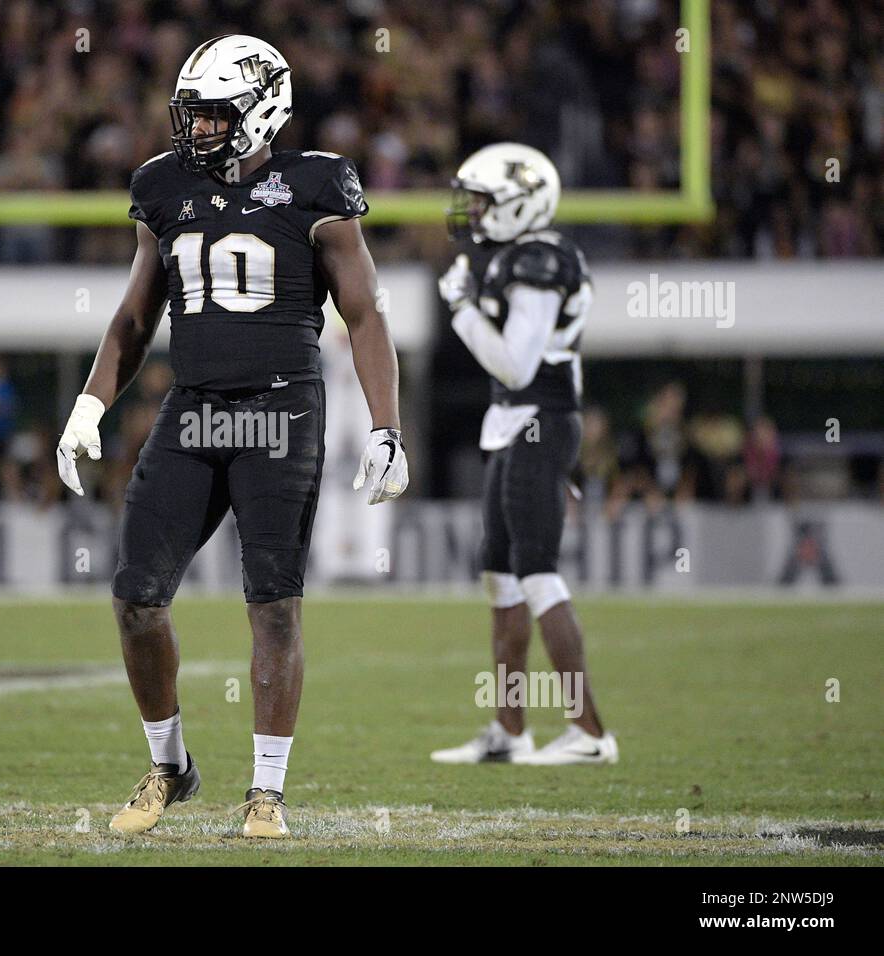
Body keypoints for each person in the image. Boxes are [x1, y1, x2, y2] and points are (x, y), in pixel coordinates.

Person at [55, 35, 407, 838]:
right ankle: (170, 767)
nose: (199, 129)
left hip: (282, 410)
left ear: (263, 109)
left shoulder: (318, 183)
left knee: (273, 607)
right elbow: (135, 317)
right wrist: (88, 407)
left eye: (216, 113)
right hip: (194, 409)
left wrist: (387, 426)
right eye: (194, 113)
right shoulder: (163, 185)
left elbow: (364, 313)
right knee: (136, 597)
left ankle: (268, 791)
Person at [431, 142, 616, 765]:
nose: (473, 213)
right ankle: (510, 732)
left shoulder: (540, 260)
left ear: (520, 205)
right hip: (512, 424)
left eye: (484, 202)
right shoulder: (512, 256)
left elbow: (515, 364)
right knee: (501, 577)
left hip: (540, 418)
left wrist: (459, 310)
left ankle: (590, 733)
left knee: (537, 573)